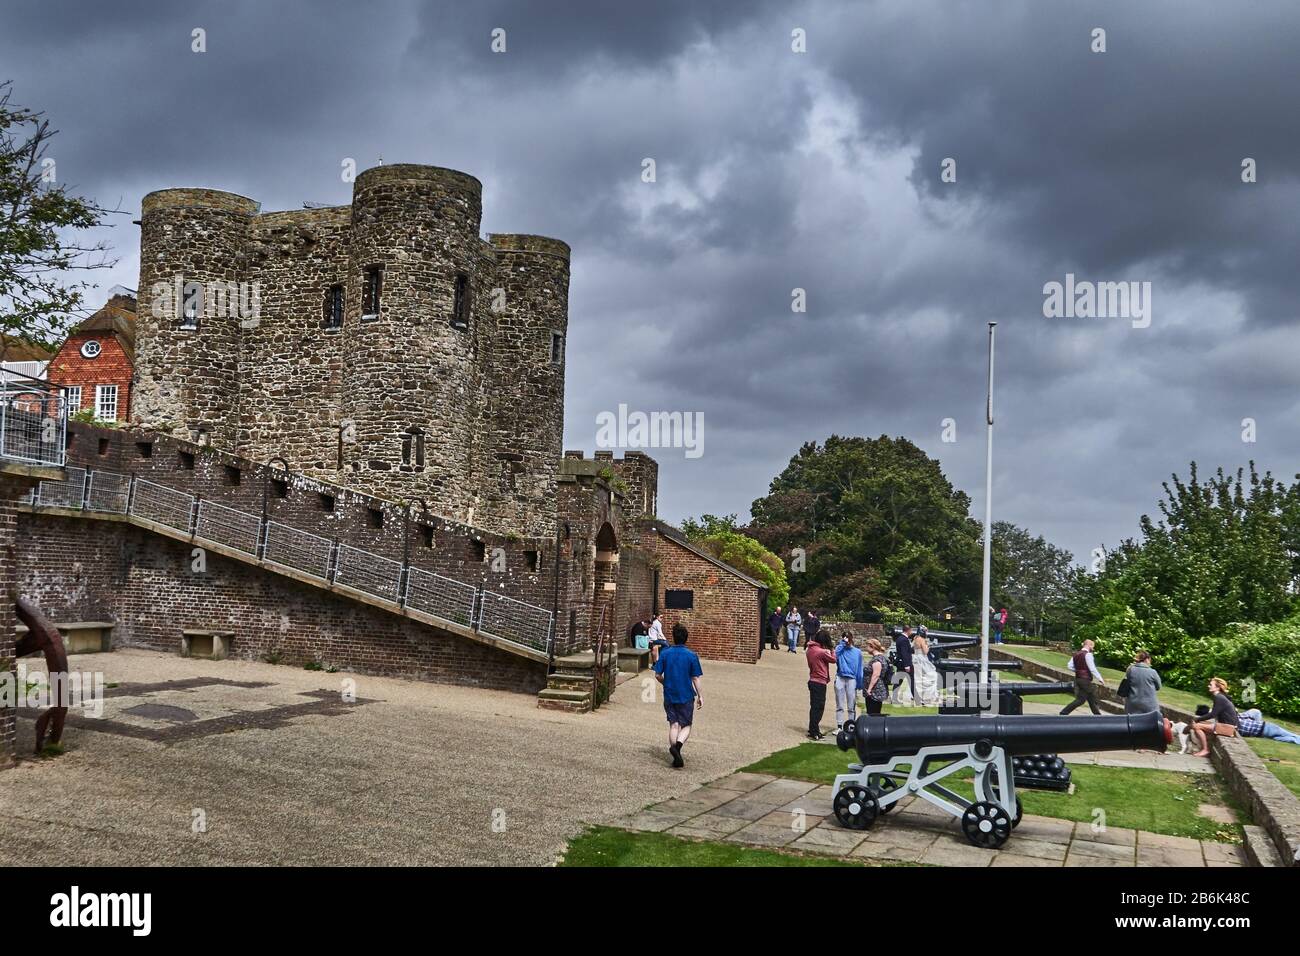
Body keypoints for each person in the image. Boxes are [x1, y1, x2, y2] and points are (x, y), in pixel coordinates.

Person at [653, 623, 703, 768]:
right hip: (686, 694)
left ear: (674, 638)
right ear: (686, 639)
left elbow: (657, 675)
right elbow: (695, 678)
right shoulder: (692, 656)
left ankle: (676, 756)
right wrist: (700, 696)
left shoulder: (665, 653)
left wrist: (666, 683)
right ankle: (677, 748)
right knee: (686, 725)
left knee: (674, 724)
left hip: (670, 693)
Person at [1191, 678, 1239, 757]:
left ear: (1217, 687)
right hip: (1228, 726)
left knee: (1196, 726)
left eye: (1210, 685)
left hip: (1227, 728)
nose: (1208, 686)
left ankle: (1205, 750)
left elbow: (1212, 714)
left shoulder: (1219, 698)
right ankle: (1203, 748)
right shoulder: (1220, 697)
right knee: (1201, 723)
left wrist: (1197, 719)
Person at [1060, 639, 1106, 715]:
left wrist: (1078, 671)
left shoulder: (1076, 654)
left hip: (1078, 679)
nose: (1093, 648)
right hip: (1085, 680)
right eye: (1092, 646)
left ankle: (1097, 715)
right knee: (1088, 696)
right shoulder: (1088, 655)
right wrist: (1100, 678)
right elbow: (1092, 668)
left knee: (1085, 699)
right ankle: (1064, 712)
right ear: (1089, 645)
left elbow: (1070, 666)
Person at [805, 633, 836, 739]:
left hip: (813, 680)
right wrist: (832, 648)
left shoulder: (810, 649)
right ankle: (814, 731)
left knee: (814, 707)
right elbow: (833, 659)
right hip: (819, 682)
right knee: (819, 708)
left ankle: (813, 729)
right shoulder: (821, 652)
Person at [833, 631, 864, 728]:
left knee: (851, 705)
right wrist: (842, 643)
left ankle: (851, 726)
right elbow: (834, 656)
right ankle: (839, 725)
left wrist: (859, 682)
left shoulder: (857, 652)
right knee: (840, 704)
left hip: (852, 679)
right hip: (840, 677)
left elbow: (859, 668)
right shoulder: (839, 649)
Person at [1121, 649, 1162, 715]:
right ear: (1147, 659)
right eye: (1150, 660)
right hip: (1150, 705)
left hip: (1132, 704)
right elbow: (1158, 687)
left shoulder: (1130, 670)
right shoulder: (1153, 672)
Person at [862, 638, 889, 716]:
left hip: (875, 691)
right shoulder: (879, 658)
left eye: (867, 646)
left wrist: (869, 689)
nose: (866, 648)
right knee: (873, 713)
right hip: (875, 690)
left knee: (873, 713)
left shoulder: (877, 659)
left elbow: (876, 675)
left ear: (872, 646)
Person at [912, 628, 938, 706]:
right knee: (932, 675)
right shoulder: (922, 640)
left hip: (916, 658)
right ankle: (927, 695)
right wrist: (928, 646)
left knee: (919, 677)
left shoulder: (915, 639)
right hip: (922, 659)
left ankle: (918, 695)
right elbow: (925, 651)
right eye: (926, 631)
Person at [892, 624, 916, 705]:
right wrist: (907, 665)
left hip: (901, 663)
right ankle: (916, 698)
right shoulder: (904, 640)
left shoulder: (900, 638)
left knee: (898, 681)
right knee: (912, 681)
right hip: (905, 664)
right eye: (911, 630)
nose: (911, 632)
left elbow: (907, 651)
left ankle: (894, 698)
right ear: (908, 630)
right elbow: (904, 653)